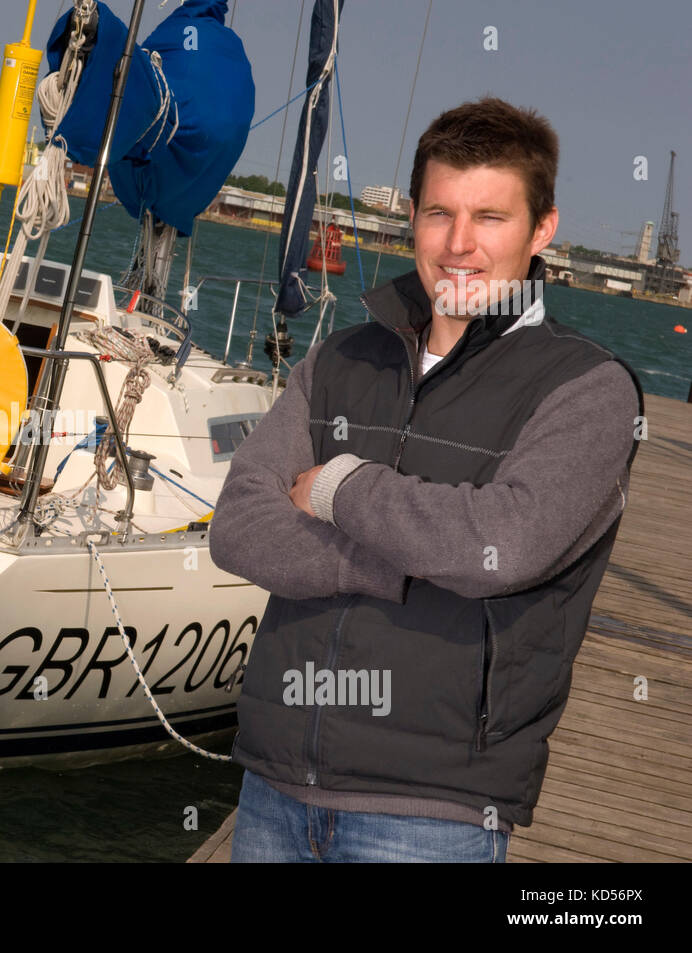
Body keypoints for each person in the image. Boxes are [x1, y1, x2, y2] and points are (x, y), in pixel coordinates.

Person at [209, 97, 644, 863]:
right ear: (411, 214)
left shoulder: (586, 388)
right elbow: (239, 527)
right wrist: (401, 557)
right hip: (273, 786)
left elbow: (501, 546)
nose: (459, 244)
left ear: (543, 229)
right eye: (439, 213)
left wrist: (338, 488)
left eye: (491, 218)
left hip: (432, 815)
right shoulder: (341, 359)